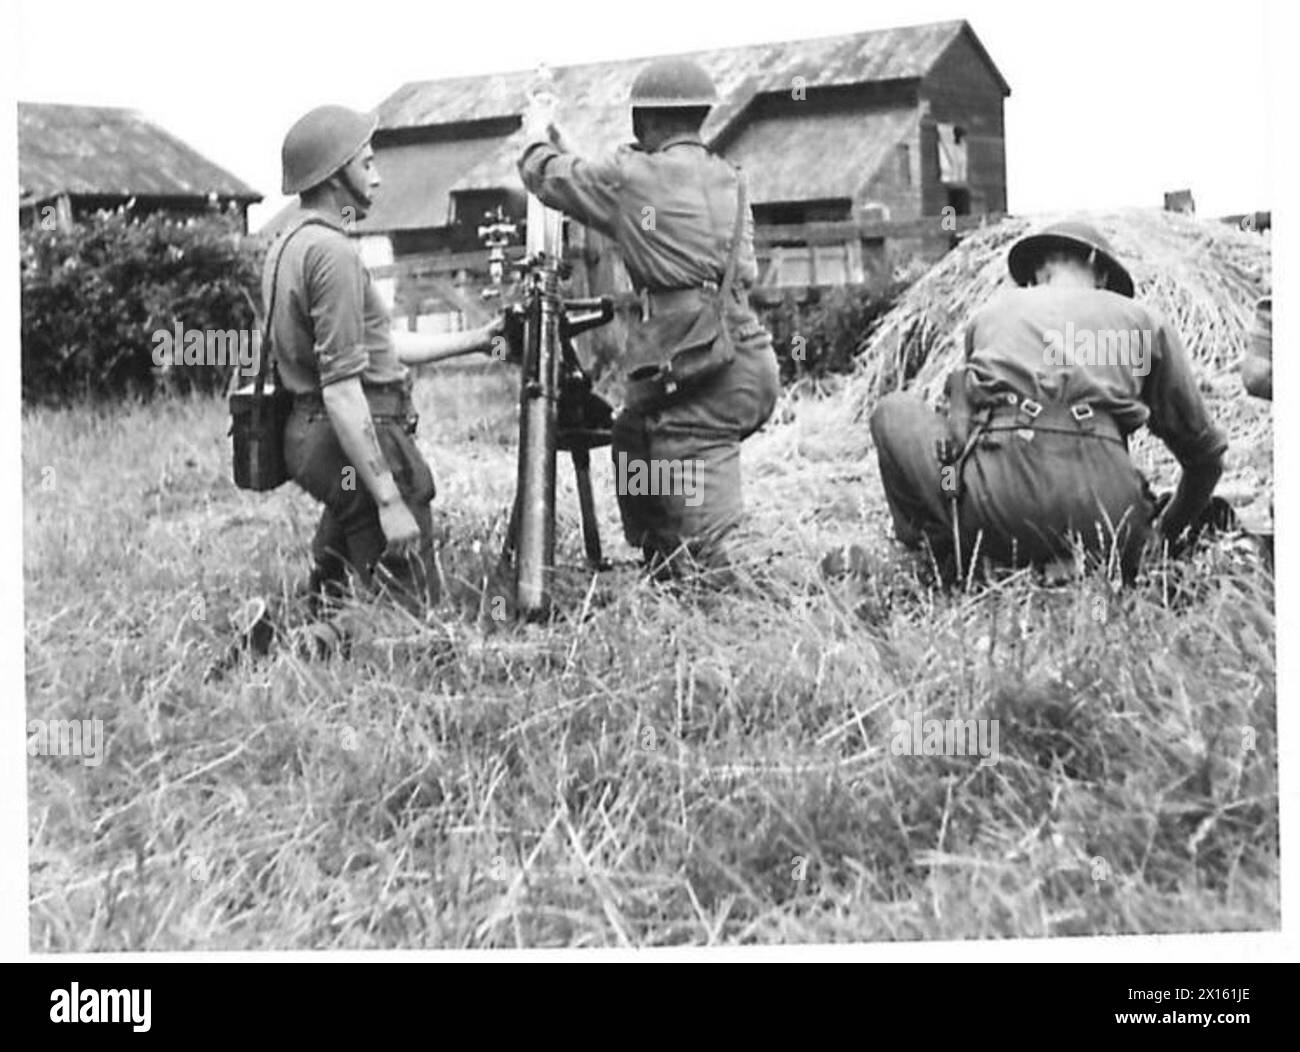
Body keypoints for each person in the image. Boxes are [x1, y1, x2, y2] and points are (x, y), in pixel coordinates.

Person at [516, 59, 780, 578]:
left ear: (643, 123)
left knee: (711, 546)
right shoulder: (726, 177)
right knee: (634, 434)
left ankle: (714, 580)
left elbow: (544, 176)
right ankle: (660, 560)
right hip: (739, 357)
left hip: (702, 375)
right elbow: (608, 188)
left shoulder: (633, 178)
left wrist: (534, 127)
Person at [869, 220, 1227, 582]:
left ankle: (948, 560)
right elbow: (1206, 456)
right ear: (1099, 271)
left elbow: (960, 438)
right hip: (1111, 519)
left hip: (998, 505)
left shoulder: (990, 315)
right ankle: (1083, 566)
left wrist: (953, 484)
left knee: (893, 412)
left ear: (1039, 269)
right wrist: (1163, 530)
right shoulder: (1146, 322)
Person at [268, 105, 501, 633]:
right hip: (358, 432)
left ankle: (302, 632)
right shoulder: (334, 254)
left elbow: (377, 347)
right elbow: (343, 390)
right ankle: (318, 644)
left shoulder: (290, 244)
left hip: (314, 440)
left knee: (336, 580)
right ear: (334, 175)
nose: (377, 177)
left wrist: (477, 340)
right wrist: (391, 499)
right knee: (413, 618)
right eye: (366, 164)